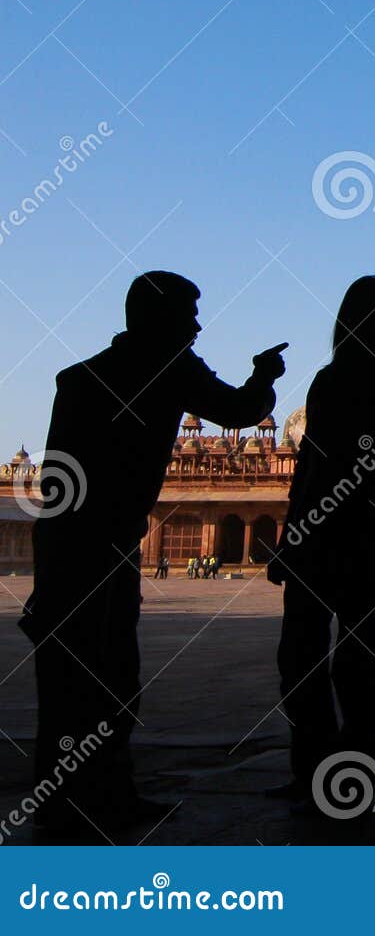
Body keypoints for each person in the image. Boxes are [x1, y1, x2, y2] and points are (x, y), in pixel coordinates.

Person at [19, 272, 285, 836]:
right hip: (101, 543)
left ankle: (69, 802)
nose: (197, 325)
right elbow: (239, 409)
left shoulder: (81, 378)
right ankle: (100, 800)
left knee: (71, 680)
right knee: (109, 676)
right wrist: (264, 375)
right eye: (188, 314)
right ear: (158, 319)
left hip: (73, 542)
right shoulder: (168, 368)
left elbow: (56, 484)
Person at [270, 277, 375, 802]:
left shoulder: (335, 379)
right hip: (366, 537)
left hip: (324, 535)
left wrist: (293, 536)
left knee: (303, 656)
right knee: (357, 657)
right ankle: (349, 776)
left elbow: (313, 469)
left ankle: (315, 768)